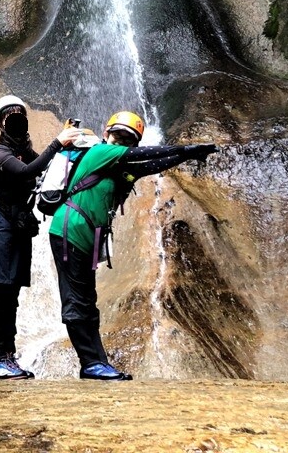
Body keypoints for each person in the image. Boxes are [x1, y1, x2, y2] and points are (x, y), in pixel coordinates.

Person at [47, 110, 218, 380]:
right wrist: (184, 148)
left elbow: (153, 165)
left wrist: (187, 155)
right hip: (71, 229)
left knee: (88, 302)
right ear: (106, 134)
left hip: (86, 235)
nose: (122, 142)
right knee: (77, 301)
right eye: (118, 136)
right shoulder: (99, 153)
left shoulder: (121, 167)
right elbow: (142, 156)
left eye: (129, 139)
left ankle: (95, 363)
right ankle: (91, 363)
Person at [0, 94, 81, 380]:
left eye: (20, 115)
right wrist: (57, 142)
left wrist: (72, 149)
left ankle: (8, 357)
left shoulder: (26, 152)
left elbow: (47, 170)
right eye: (10, 117)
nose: (16, 120)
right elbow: (28, 171)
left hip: (18, 227)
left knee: (10, 293)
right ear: (0, 124)